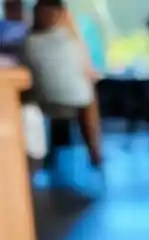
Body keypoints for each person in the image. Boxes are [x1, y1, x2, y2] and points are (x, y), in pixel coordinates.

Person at [20, 0, 101, 166]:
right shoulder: (72, 40)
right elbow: (90, 72)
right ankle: (94, 152)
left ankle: (33, 160)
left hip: (42, 102)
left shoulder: (28, 42)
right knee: (90, 96)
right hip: (78, 102)